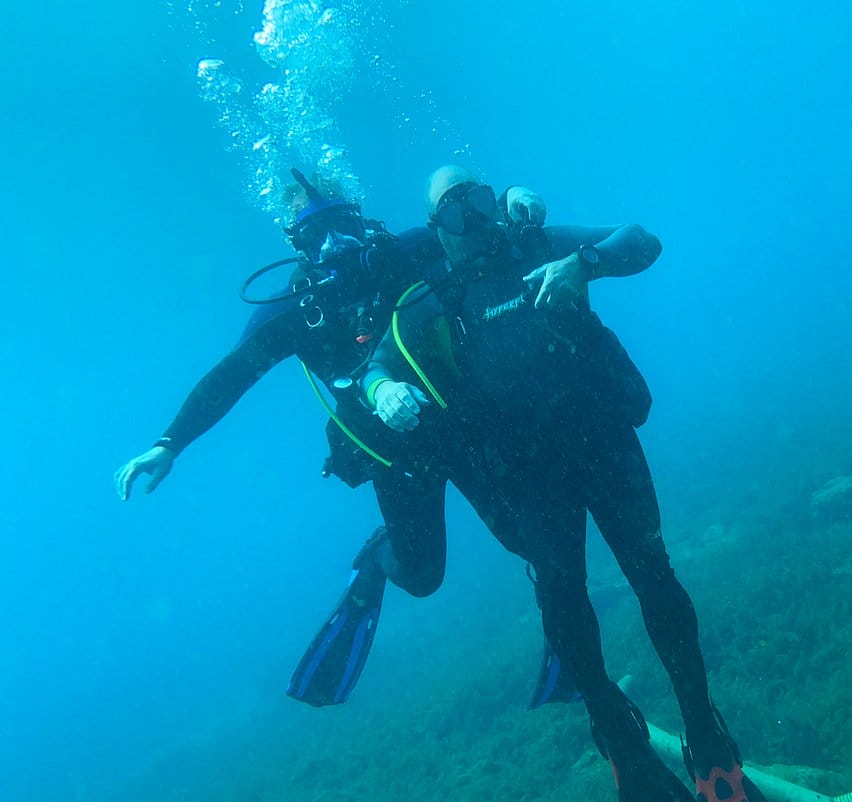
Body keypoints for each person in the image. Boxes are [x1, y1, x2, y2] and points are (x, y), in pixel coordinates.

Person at [365, 165, 812, 802]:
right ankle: (615, 729)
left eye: (480, 197)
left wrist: (587, 262)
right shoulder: (428, 301)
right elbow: (375, 364)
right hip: (529, 477)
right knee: (563, 601)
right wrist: (385, 389)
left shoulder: (539, 244)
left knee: (655, 578)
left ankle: (705, 734)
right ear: (434, 226)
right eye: (454, 207)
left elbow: (643, 240)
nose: (474, 215)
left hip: (604, 446)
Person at [114, 171, 547, 705]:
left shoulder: (406, 252)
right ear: (297, 243)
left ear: (360, 217)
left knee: (530, 537)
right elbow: (232, 376)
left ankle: (562, 613)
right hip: (393, 456)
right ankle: (379, 558)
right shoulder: (296, 309)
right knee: (422, 577)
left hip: (463, 423)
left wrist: (513, 198)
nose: (335, 243)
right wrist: (170, 442)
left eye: (342, 224)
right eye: (316, 234)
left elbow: (474, 227)